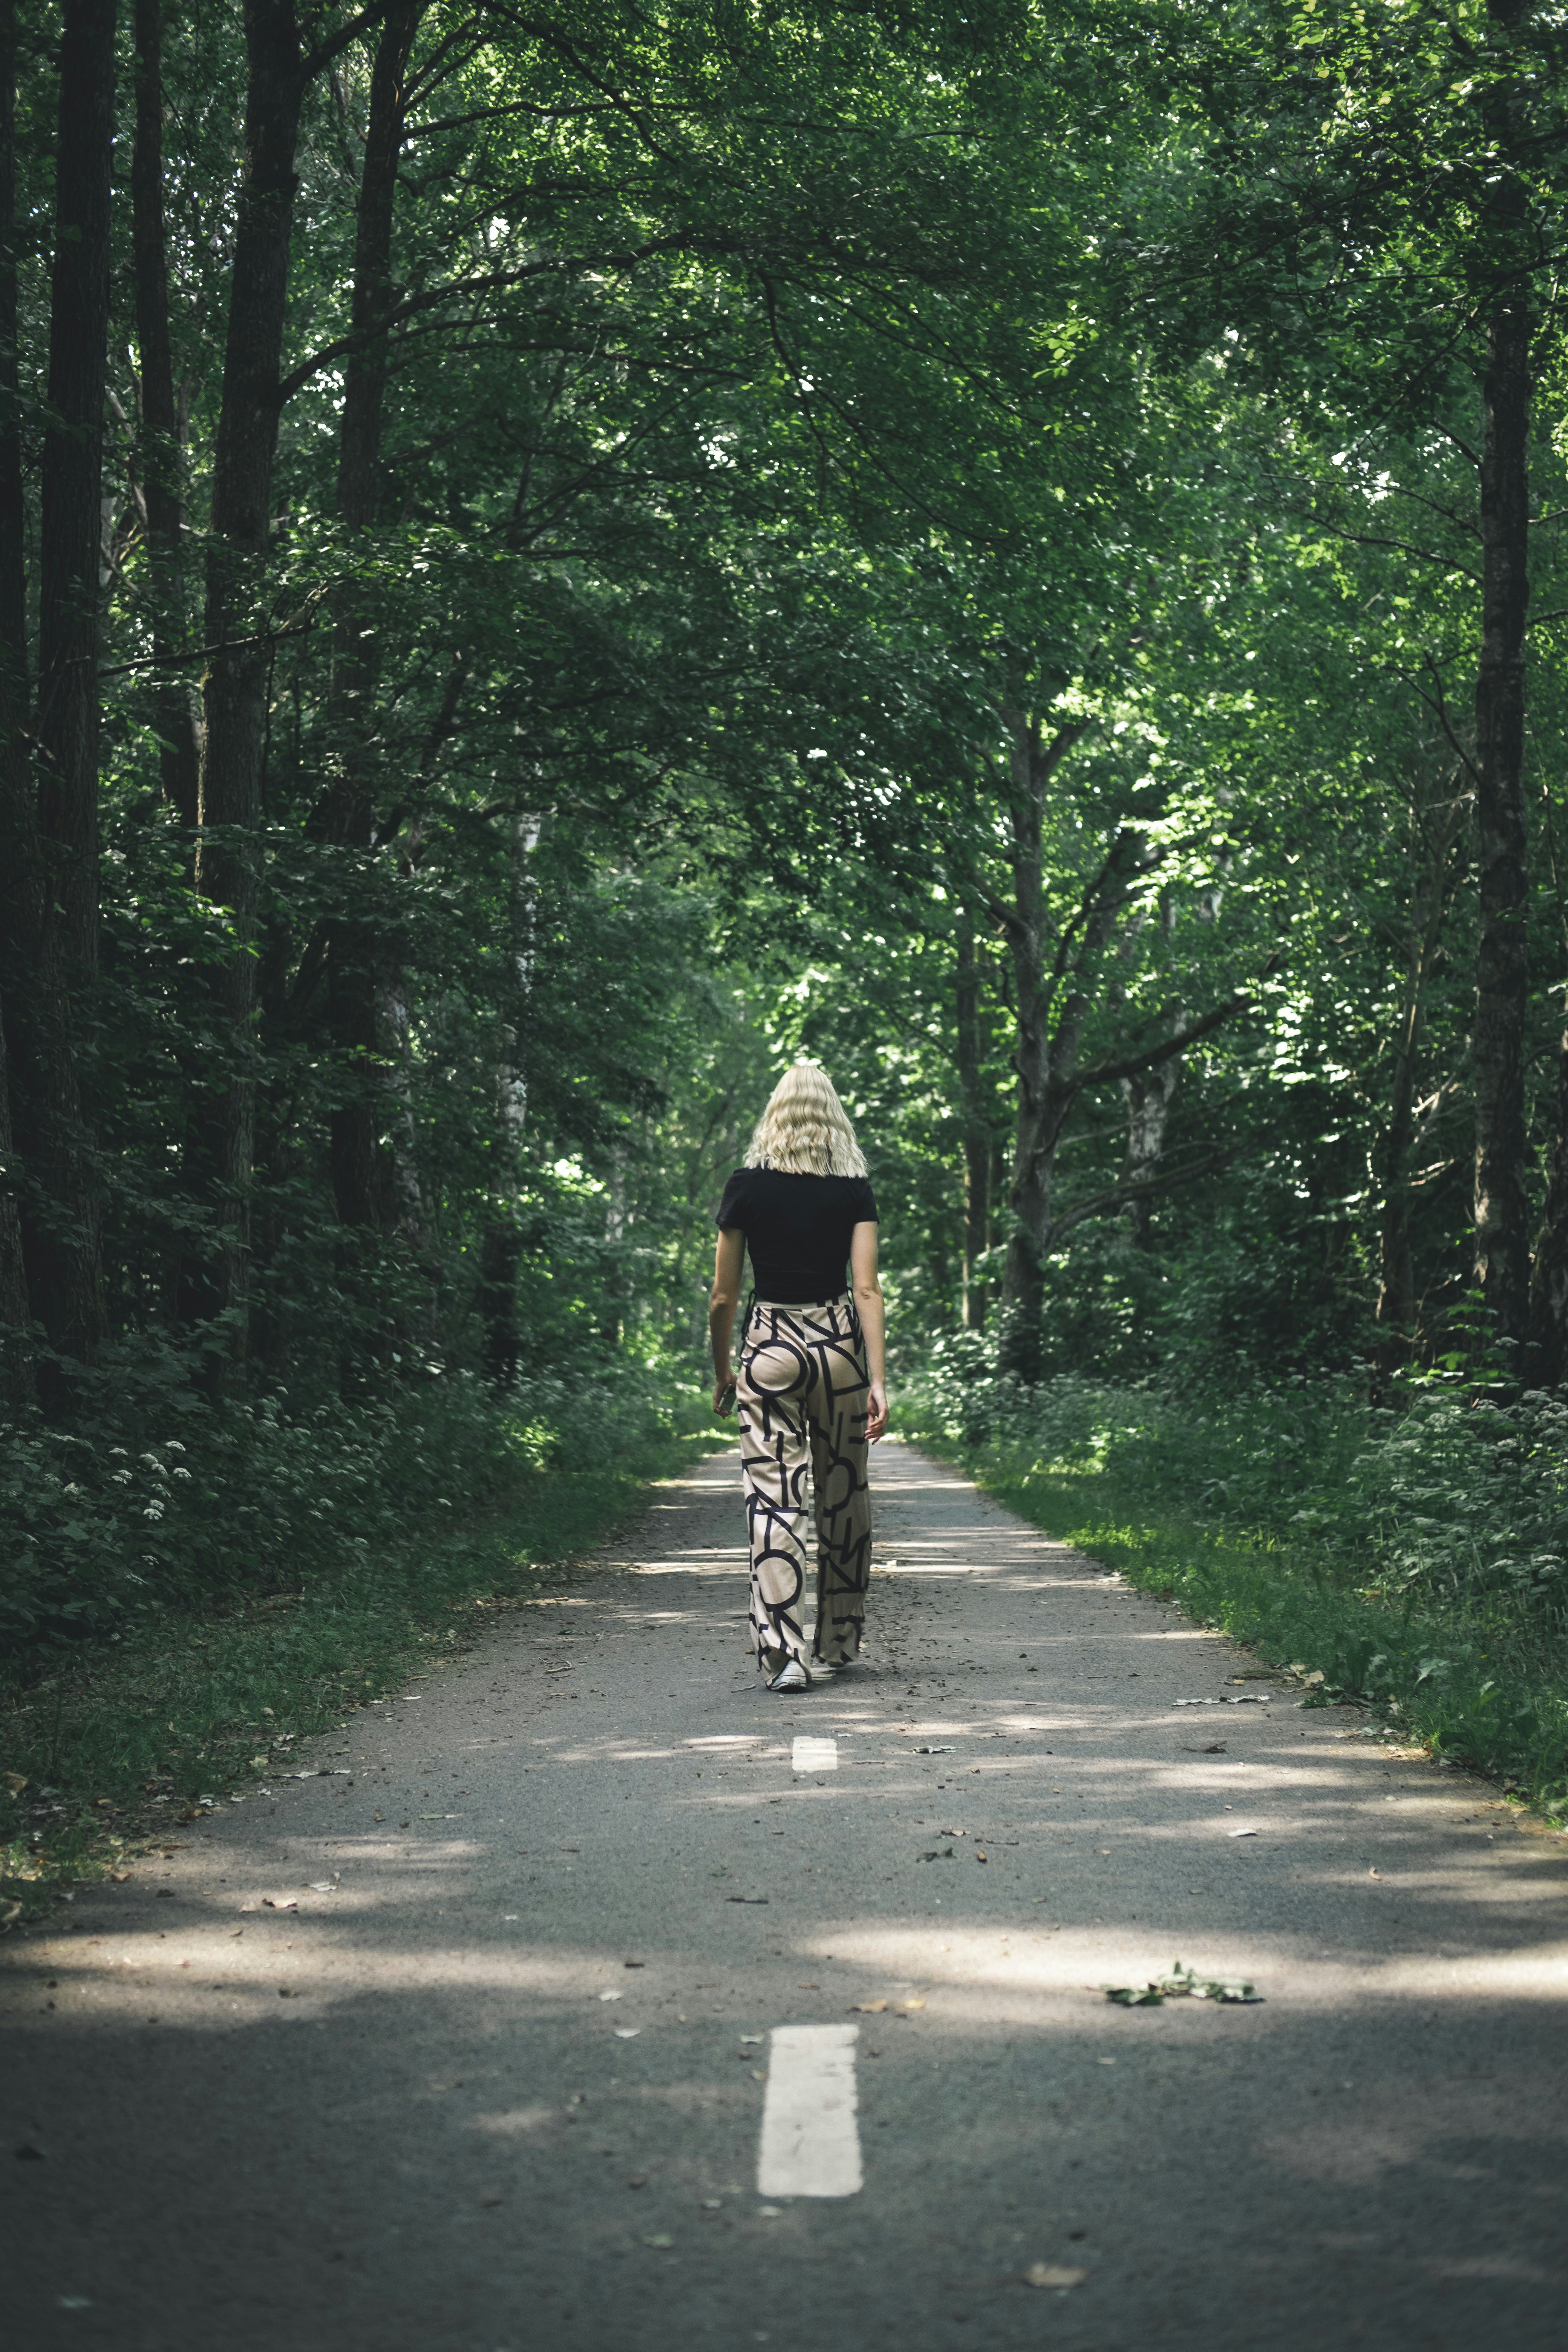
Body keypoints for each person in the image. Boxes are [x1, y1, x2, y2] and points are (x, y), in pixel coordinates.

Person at [709, 1062, 888, 1691]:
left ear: (774, 1114)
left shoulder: (746, 1188)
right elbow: (865, 1287)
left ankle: (785, 1655)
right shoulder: (853, 1187)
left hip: (771, 1350)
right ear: (831, 1116)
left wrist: (724, 1369)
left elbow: (723, 1298)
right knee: (842, 1497)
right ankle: (838, 1641)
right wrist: (879, 1380)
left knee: (774, 1501)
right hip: (839, 1348)